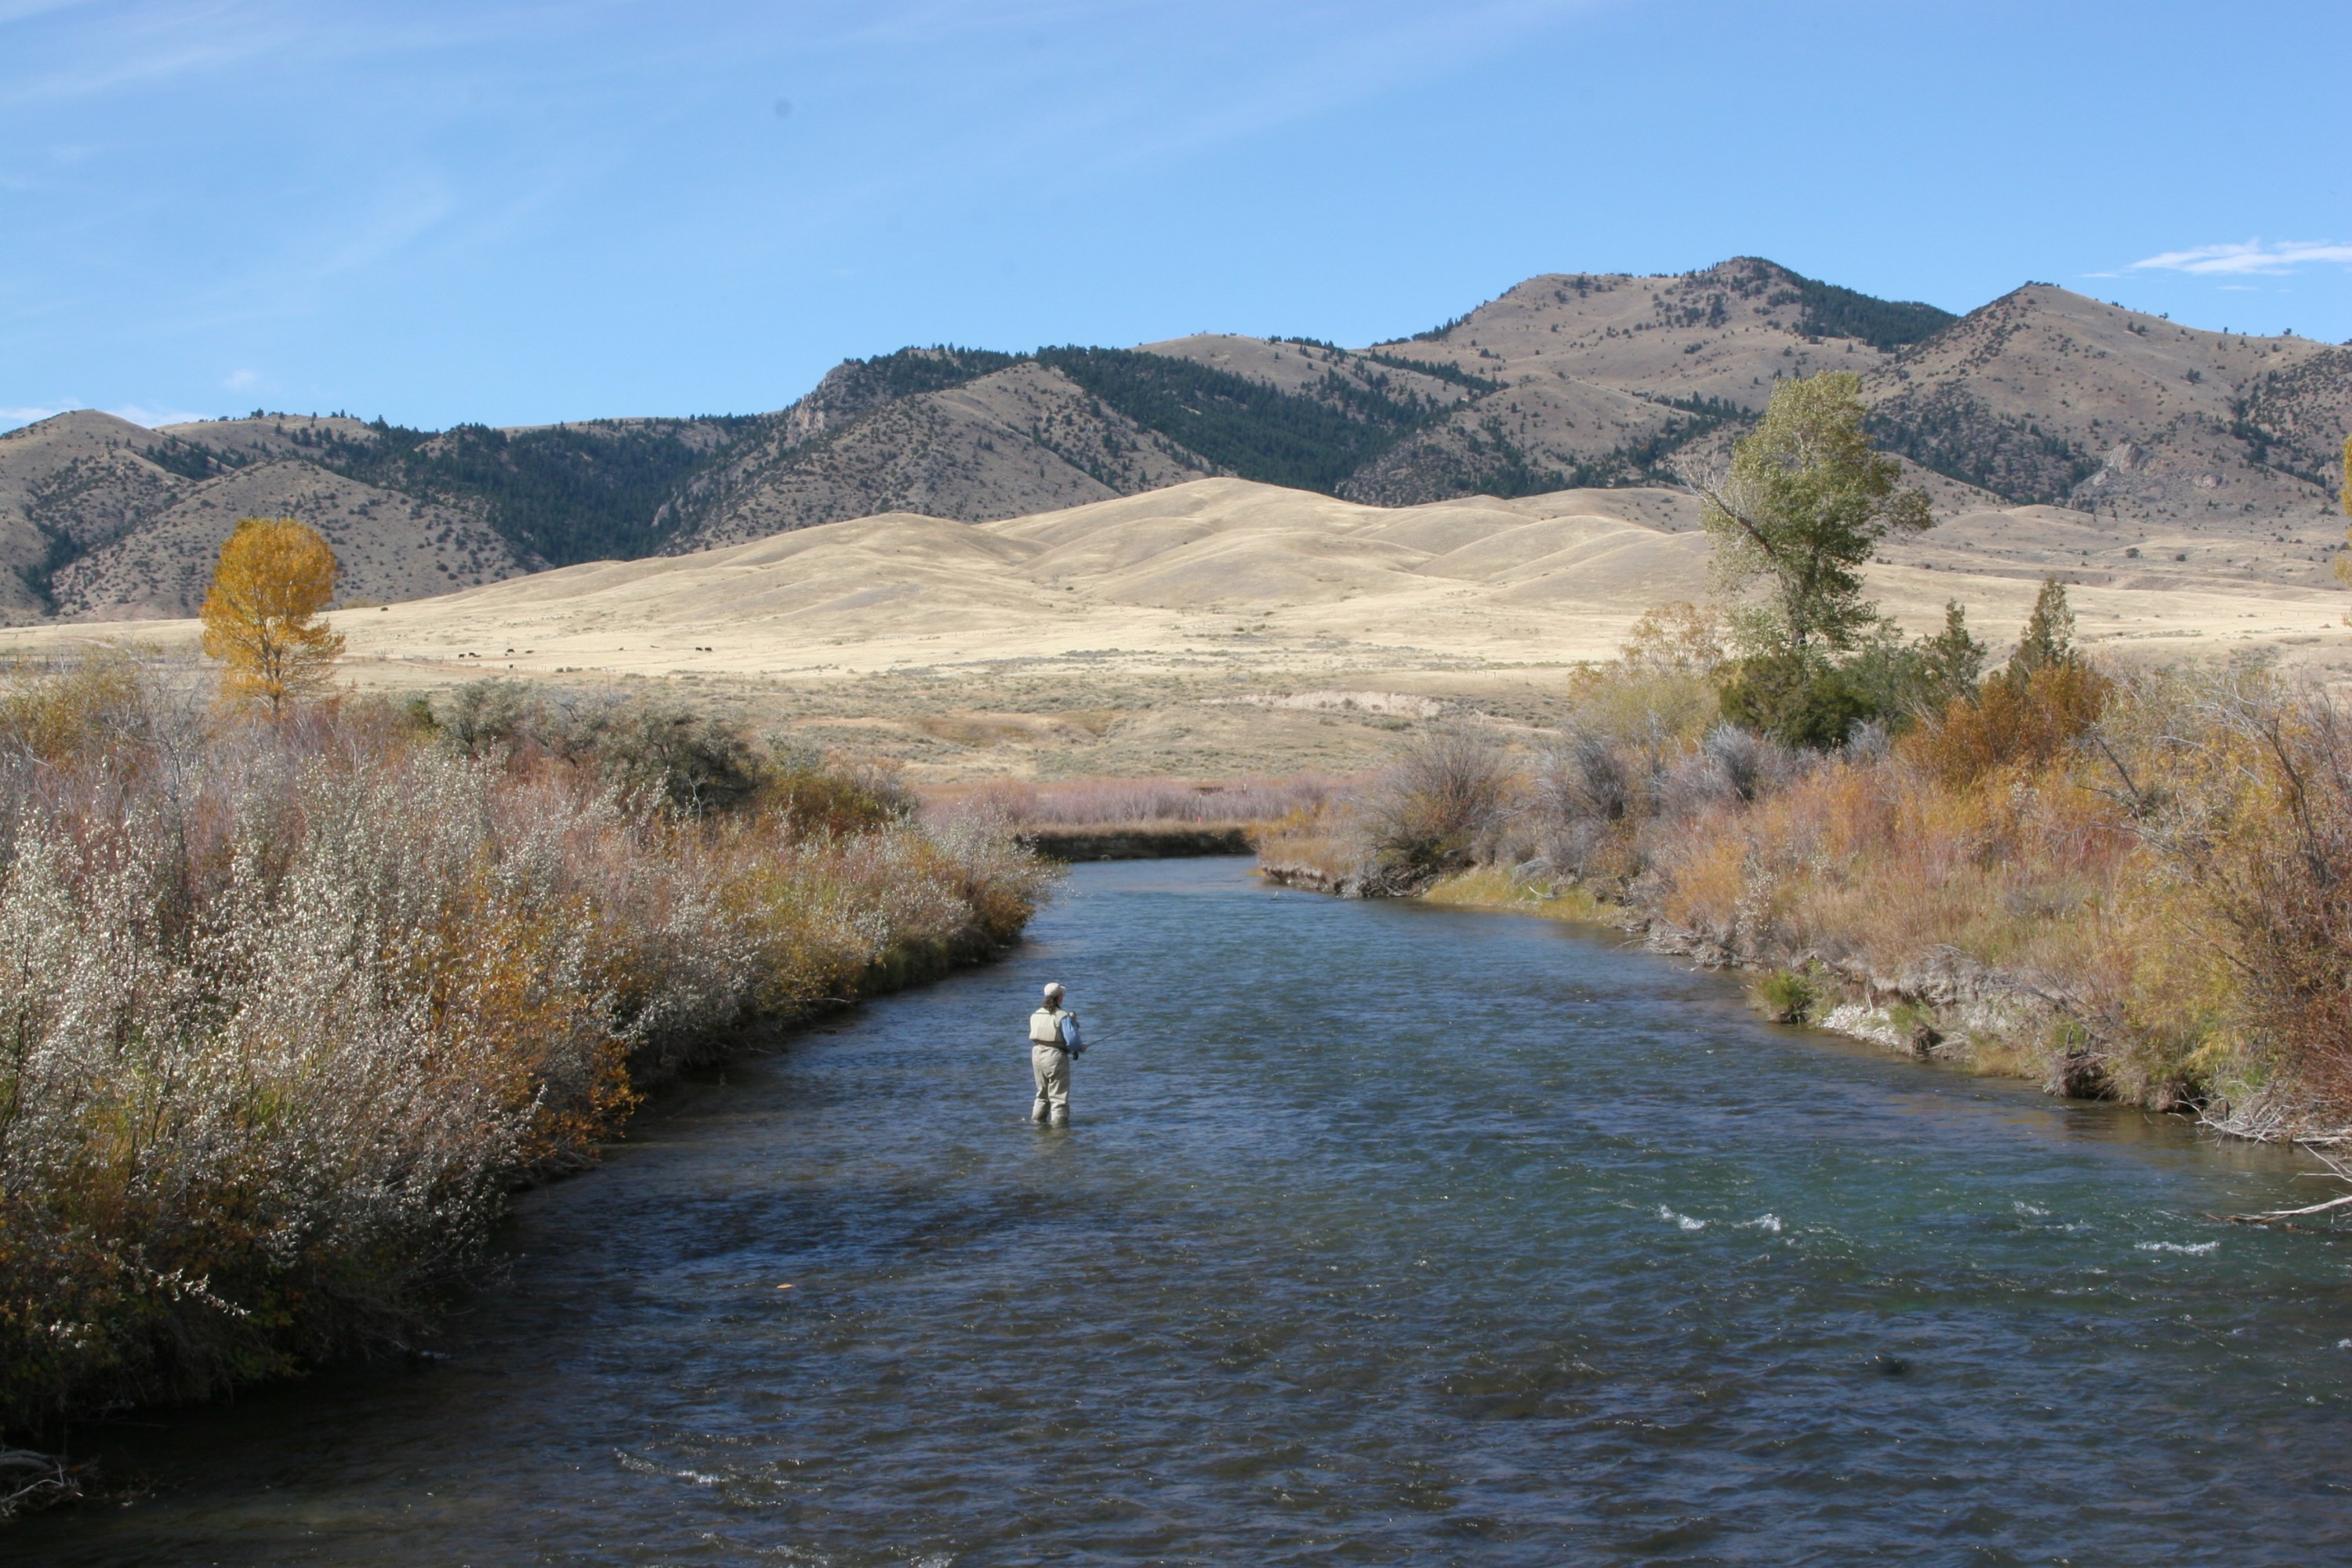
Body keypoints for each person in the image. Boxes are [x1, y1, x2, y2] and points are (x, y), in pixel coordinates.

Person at [1027, 982, 1082, 1126]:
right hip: (1055, 1057)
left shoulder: (1035, 1015)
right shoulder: (1063, 1016)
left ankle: (1036, 1125)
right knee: (1058, 1099)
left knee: (1042, 1095)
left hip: (1037, 1055)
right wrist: (1081, 1047)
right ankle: (1059, 1132)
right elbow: (1073, 1042)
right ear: (1060, 998)